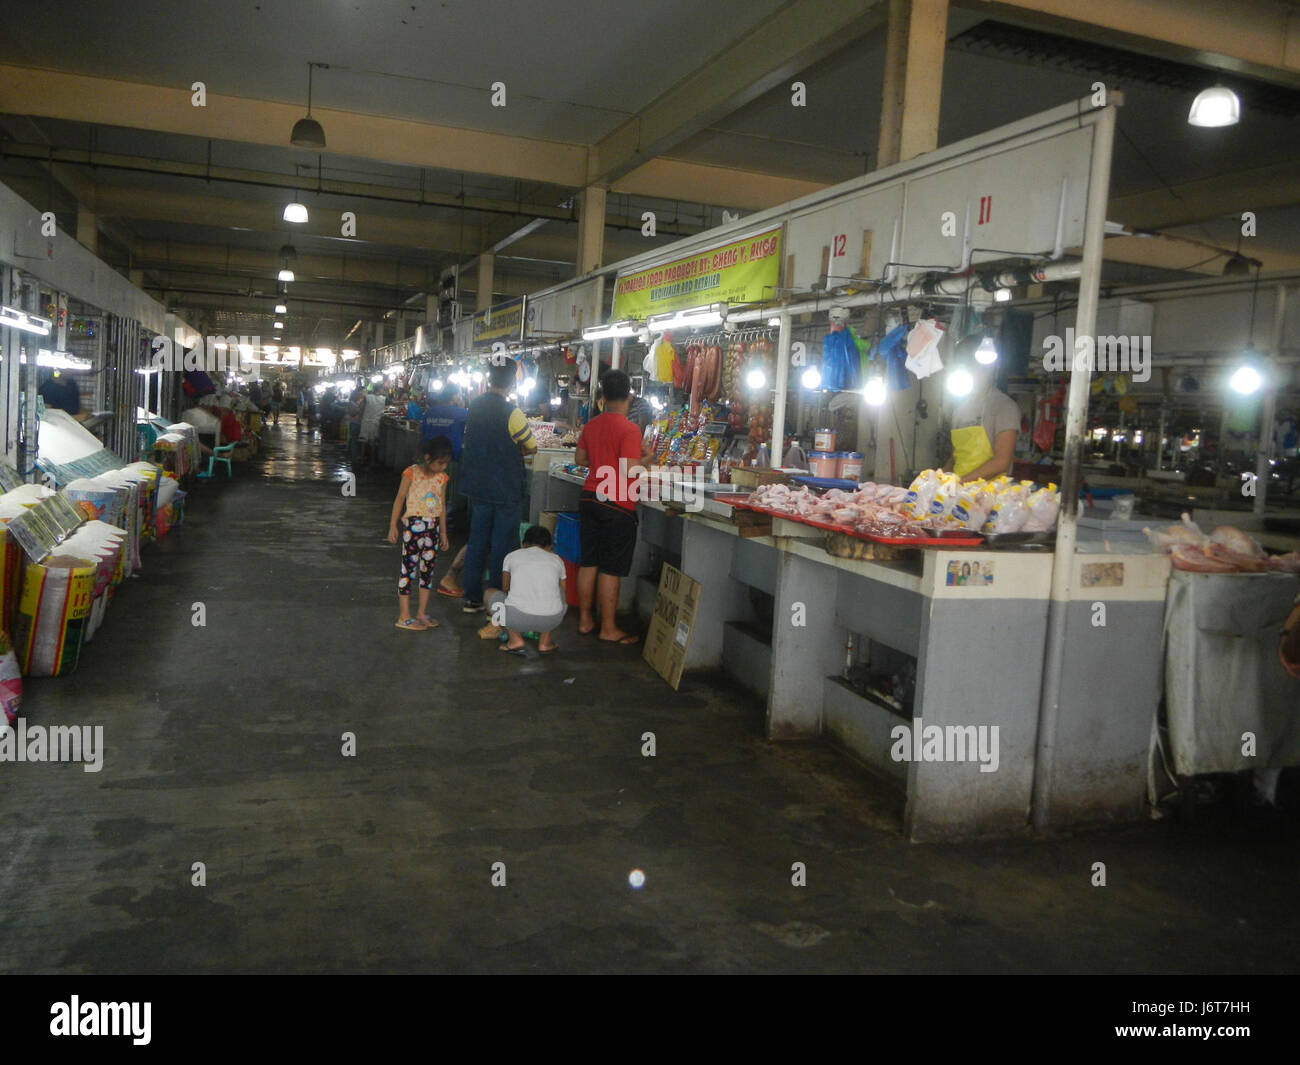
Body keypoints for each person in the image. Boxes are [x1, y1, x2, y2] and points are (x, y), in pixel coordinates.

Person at [575, 368, 653, 644]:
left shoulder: (591, 425)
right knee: (610, 567)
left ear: (603, 396)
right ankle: (608, 628)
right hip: (617, 503)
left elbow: (581, 460)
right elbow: (630, 470)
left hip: (589, 498)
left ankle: (585, 620)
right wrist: (647, 458)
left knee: (589, 561)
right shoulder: (629, 429)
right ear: (630, 397)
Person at [459, 362, 536, 613]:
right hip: (505, 488)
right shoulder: (512, 412)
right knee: (502, 545)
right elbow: (531, 446)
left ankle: (471, 597)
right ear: (512, 381)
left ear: (489, 379)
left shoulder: (474, 406)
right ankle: (495, 601)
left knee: (478, 541)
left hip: (478, 486)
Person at [386, 435, 453, 630]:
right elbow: (399, 499)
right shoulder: (410, 473)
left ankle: (421, 612)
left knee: (428, 572)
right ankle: (404, 616)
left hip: (433, 528)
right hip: (413, 527)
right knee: (408, 570)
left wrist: (443, 533)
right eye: (440, 463)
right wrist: (393, 525)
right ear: (427, 457)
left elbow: (440, 506)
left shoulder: (443, 478)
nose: (443, 467)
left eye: (446, 464)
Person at [478, 525, 566, 654]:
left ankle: (515, 640)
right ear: (549, 547)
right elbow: (563, 591)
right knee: (559, 594)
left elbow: (505, 588)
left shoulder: (512, 556)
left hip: (516, 620)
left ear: (524, 544)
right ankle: (545, 642)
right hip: (551, 619)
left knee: (489, 594)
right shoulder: (557, 560)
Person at [943, 360, 1021, 482]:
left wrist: (961, 482)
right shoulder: (958, 411)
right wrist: (938, 479)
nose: (973, 372)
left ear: (991, 372)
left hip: (990, 494)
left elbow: (1001, 462)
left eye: (978, 368)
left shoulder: (1005, 406)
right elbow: (955, 458)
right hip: (958, 493)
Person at [360, 386, 384, 466]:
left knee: (363, 442)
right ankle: (372, 461)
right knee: (372, 443)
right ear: (379, 389)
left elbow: (361, 408)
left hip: (366, 422)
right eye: (382, 389)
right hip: (375, 423)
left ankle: (362, 459)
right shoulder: (383, 399)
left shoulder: (367, 397)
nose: (383, 390)